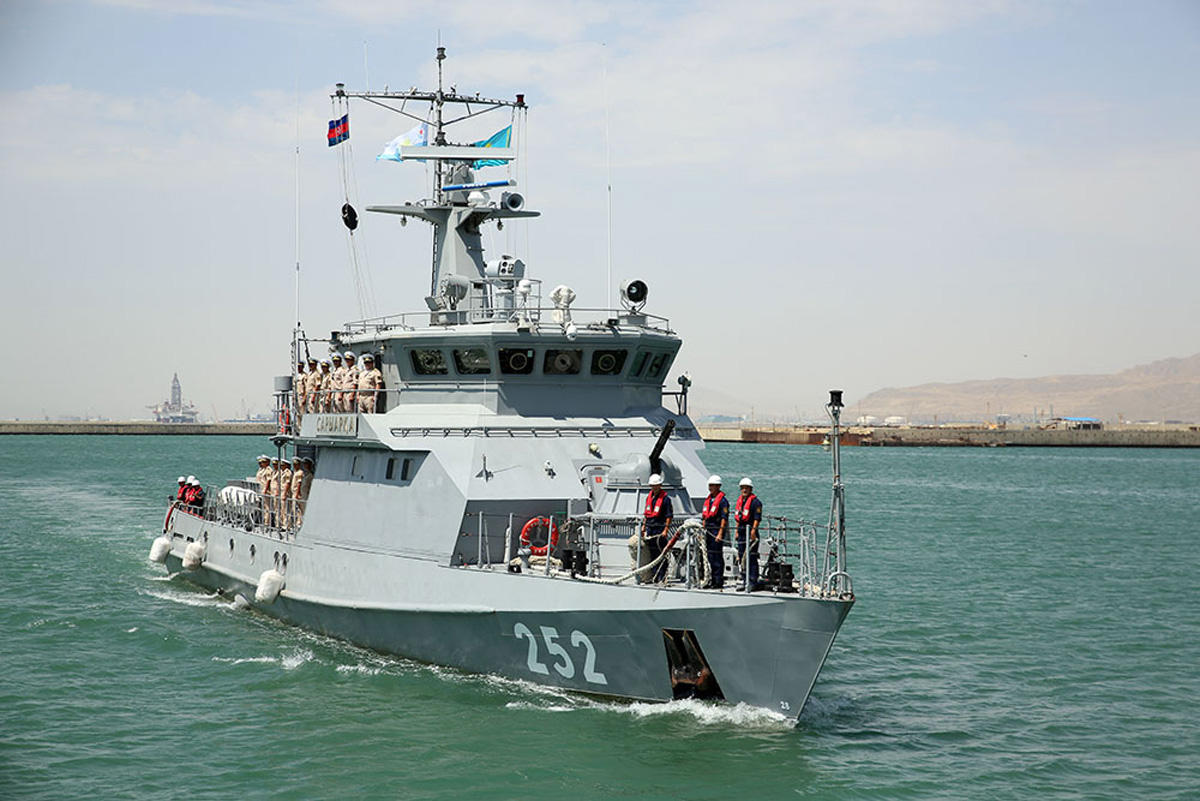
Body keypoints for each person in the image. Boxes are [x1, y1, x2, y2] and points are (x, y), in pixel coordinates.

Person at [640, 473, 673, 583]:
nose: (654, 487)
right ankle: (655, 576)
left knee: (661, 554)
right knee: (653, 554)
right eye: (653, 485)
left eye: (656, 485)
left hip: (660, 530)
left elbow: (669, 516)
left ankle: (662, 577)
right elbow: (647, 514)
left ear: (660, 485)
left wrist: (665, 530)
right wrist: (644, 526)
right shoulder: (649, 498)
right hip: (651, 529)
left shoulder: (666, 499)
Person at [700, 474, 729, 588]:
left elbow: (724, 518)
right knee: (710, 557)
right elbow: (705, 516)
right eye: (710, 485)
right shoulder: (709, 500)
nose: (710, 488)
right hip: (708, 531)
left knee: (717, 557)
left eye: (713, 485)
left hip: (716, 530)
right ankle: (711, 579)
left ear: (718, 486)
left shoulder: (722, 502)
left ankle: (718, 581)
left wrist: (720, 533)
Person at [734, 477, 763, 592]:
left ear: (750, 489)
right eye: (742, 488)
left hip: (751, 532)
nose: (744, 490)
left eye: (746, 488)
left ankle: (753, 581)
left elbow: (757, 518)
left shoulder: (756, 502)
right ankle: (745, 580)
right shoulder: (740, 501)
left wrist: (753, 531)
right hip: (741, 532)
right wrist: (736, 531)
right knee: (742, 557)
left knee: (751, 557)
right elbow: (738, 518)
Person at [254, 455, 272, 524]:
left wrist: (265, 490)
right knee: (261, 506)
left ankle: (266, 522)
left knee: (267, 507)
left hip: (265, 491)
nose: (261, 464)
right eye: (260, 463)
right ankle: (261, 520)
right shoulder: (261, 469)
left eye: (263, 462)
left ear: (268, 462)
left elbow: (268, 480)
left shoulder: (268, 470)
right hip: (260, 490)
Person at [277, 458, 293, 528]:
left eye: (282, 465)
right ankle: (283, 524)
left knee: (286, 509)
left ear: (287, 466)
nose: (281, 466)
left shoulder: (287, 473)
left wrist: (284, 493)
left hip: (285, 493)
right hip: (281, 492)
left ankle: (287, 525)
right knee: (282, 509)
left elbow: (288, 483)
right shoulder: (282, 472)